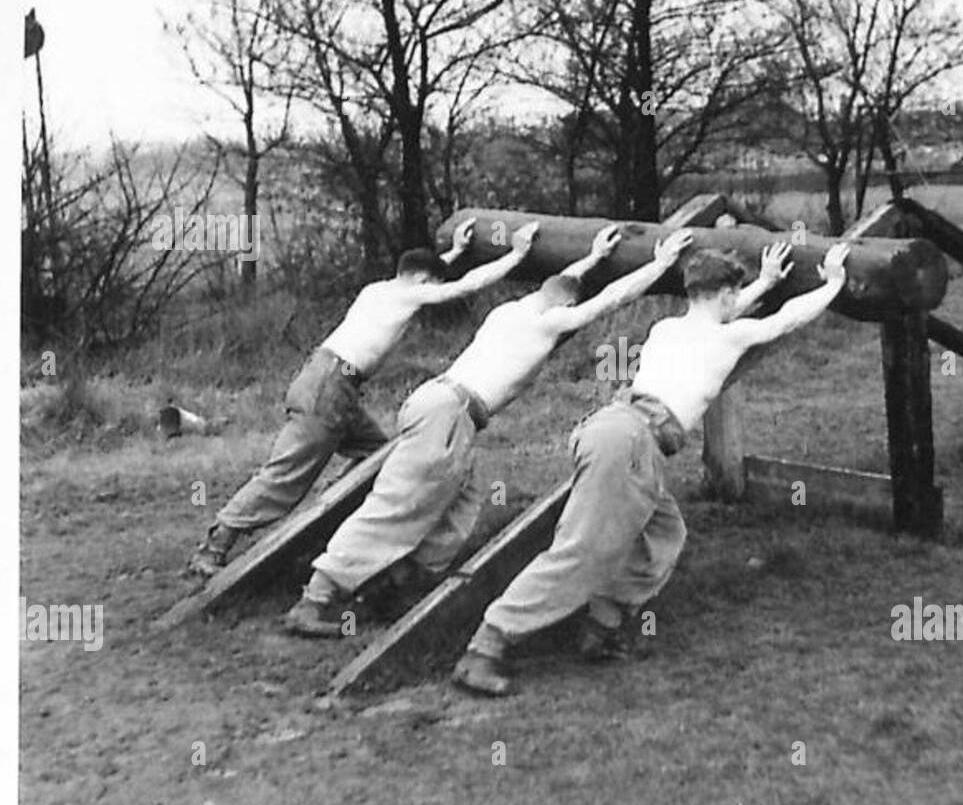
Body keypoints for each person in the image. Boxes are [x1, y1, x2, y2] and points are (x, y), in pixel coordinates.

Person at [452, 239, 852, 696]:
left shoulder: (667, 328)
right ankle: (485, 647)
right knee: (581, 551)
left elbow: (723, 311)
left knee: (663, 534)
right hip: (630, 443)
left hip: (614, 432)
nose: (734, 305)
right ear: (724, 297)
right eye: (732, 297)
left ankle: (600, 630)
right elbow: (787, 320)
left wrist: (763, 281)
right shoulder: (728, 335)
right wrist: (834, 283)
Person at [282, 222, 695, 638]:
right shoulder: (546, 324)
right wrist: (659, 264)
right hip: (450, 412)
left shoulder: (512, 311)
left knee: (465, 499)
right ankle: (317, 598)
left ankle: (394, 586)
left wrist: (594, 257)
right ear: (561, 308)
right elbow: (611, 299)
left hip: (436, 404)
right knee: (398, 505)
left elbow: (562, 285)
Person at [185, 218, 525, 577]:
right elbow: (462, 287)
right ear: (423, 281)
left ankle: (331, 522)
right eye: (431, 282)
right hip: (329, 387)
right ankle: (214, 547)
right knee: (285, 476)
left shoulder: (379, 289)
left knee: (378, 457)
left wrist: (455, 250)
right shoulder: (405, 293)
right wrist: (516, 256)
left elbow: (429, 278)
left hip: (332, 383)